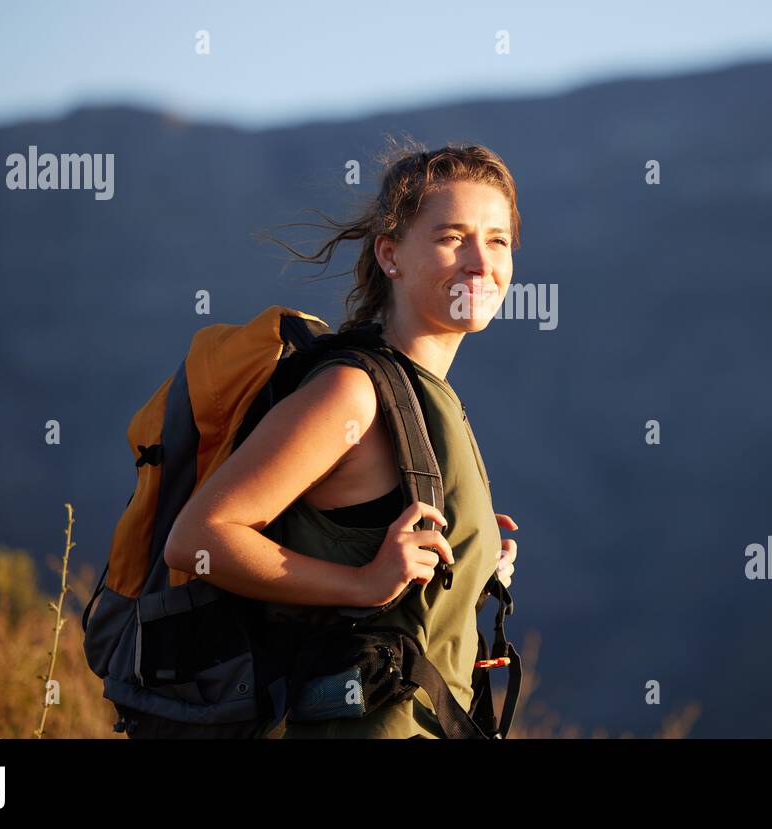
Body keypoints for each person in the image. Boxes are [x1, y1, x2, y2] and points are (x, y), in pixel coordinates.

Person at [163, 139, 521, 738]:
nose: (481, 263)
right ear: (390, 254)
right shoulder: (353, 392)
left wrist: (478, 562)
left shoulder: (429, 397)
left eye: (497, 240)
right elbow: (198, 538)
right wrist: (363, 581)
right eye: (451, 237)